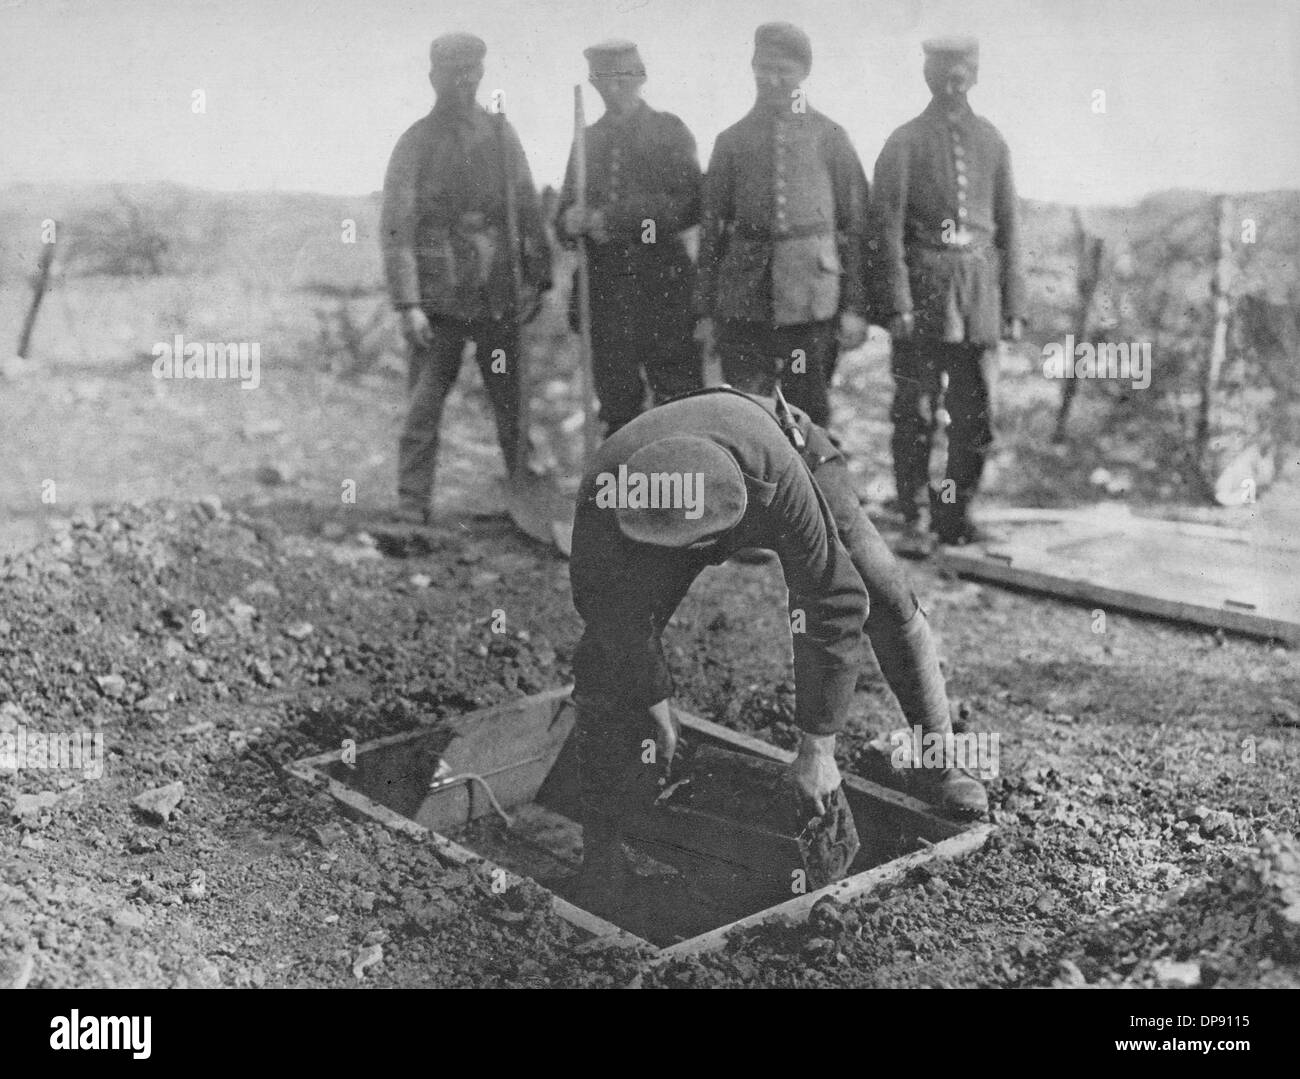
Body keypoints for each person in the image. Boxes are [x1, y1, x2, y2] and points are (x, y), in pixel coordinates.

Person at [567, 386, 988, 909]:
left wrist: (819, 749)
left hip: (783, 449)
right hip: (661, 515)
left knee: (885, 595)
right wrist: (654, 705)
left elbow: (832, 599)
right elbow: (609, 610)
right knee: (603, 663)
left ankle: (941, 760)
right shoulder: (603, 492)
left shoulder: (781, 477)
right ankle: (602, 857)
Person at [380, 32, 552, 525]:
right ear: (433, 77)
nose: (462, 83)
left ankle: (525, 502)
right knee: (424, 402)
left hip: (499, 292)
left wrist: (539, 274)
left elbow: (525, 203)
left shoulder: (500, 134)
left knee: (511, 402)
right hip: (439, 296)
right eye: (452, 74)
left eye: (471, 74)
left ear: (480, 76)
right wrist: (409, 303)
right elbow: (398, 228)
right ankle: (413, 503)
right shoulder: (416, 142)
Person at [867, 35, 1025, 554]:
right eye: (944, 68)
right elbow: (885, 227)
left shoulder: (993, 141)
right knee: (914, 410)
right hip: (923, 294)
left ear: (976, 73)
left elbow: (1008, 227)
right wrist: (897, 302)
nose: (954, 77)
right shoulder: (904, 141)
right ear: (927, 74)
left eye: (964, 68)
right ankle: (912, 513)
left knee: (975, 412)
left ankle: (955, 514)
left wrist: (1013, 306)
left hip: (977, 295)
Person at [694, 22, 870, 432]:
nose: (771, 80)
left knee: (808, 410)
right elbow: (710, 231)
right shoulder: (731, 141)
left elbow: (855, 228)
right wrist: (704, 309)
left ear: (803, 73)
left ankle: (809, 493)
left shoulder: (831, 137)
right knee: (747, 412)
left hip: (812, 301)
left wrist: (855, 307)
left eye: (783, 72)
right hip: (743, 300)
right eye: (763, 69)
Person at [557, 40, 703, 436]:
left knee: (678, 401)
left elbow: (689, 206)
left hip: (663, 288)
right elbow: (564, 217)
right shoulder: (586, 140)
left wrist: (615, 219)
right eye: (603, 80)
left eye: (621, 78)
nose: (612, 88)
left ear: (640, 77)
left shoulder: (669, 130)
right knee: (618, 403)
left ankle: (679, 491)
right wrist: (569, 221)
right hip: (605, 293)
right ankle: (625, 490)